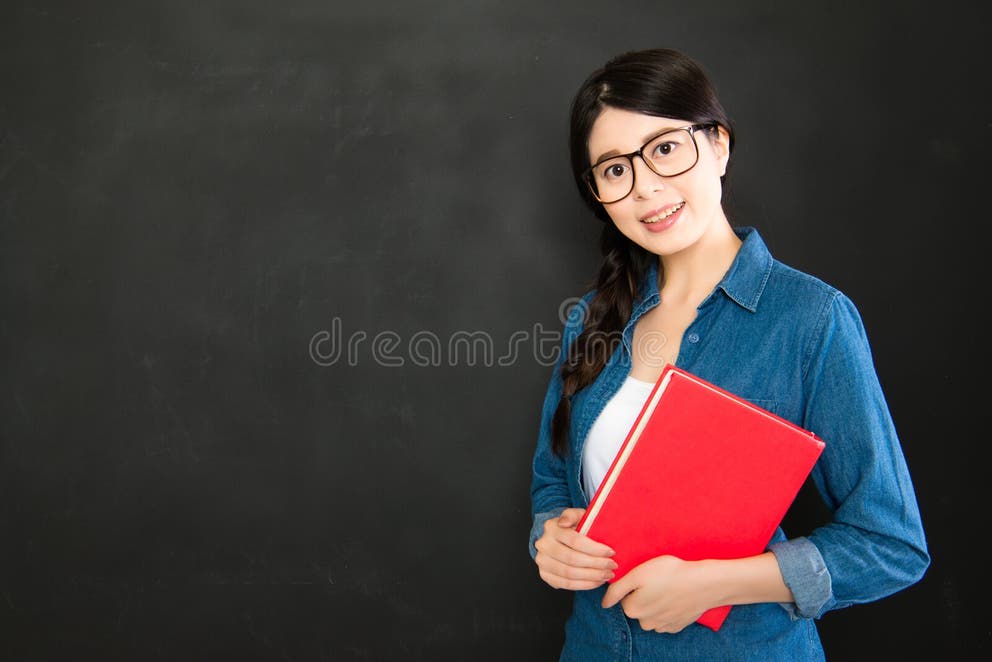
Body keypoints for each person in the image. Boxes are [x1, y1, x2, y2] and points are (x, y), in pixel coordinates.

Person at [527, 47, 929, 661]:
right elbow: (552, 481)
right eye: (614, 169)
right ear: (597, 192)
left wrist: (713, 584)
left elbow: (891, 545)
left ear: (718, 144)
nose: (646, 188)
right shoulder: (591, 318)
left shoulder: (811, 320)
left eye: (665, 148)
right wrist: (550, 538)